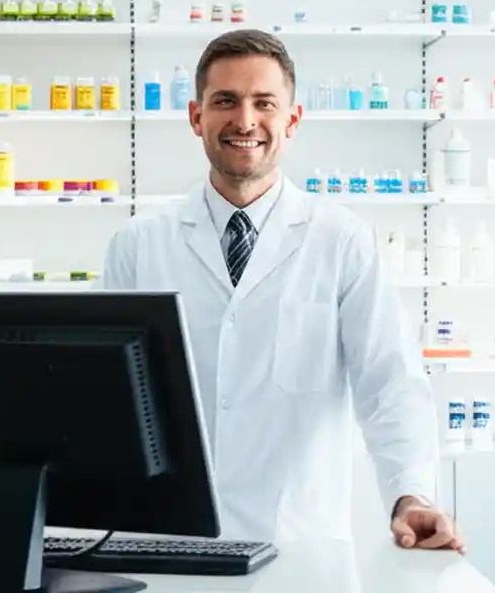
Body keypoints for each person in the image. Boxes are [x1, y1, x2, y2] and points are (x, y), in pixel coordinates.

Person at [102, 29, 461, 552]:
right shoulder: (139, 244)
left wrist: (411, 495)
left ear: (292, 120)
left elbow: (390, 382)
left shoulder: (342, 240)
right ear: (196, 116)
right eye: (225, 101)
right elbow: (108, 401)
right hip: (168, 535)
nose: (245, 120)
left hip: (299, 541)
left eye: (264, 103)